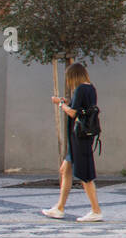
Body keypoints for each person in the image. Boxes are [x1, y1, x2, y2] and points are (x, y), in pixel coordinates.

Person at [41, 62, 103, 222]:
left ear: (73, 76)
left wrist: (60, 104)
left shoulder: (81, 89)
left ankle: (96, 211)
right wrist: (68, 103)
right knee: (65, 170)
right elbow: (83, 109)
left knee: (85, 174)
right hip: (83, 135)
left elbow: (73, 113)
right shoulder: (91, 88)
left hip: (80, 136)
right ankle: (59, 208)